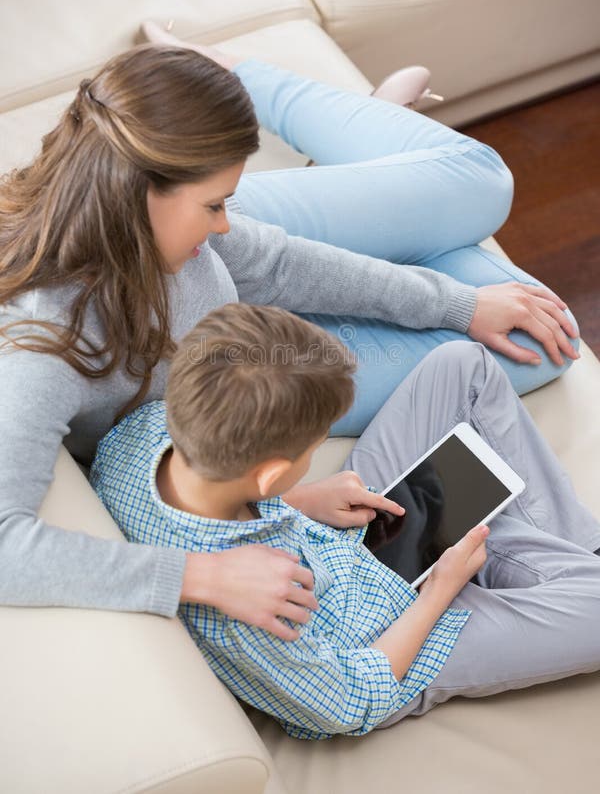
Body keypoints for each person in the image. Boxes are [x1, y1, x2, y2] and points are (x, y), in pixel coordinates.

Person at [0, 37, 579, 637]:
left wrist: (459, 305)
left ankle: (246, 80)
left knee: (482, 181)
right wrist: (201, 575)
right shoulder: (44, 346)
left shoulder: (190, 227)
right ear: (138, 196)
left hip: (236, 301)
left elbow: (275, 263)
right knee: (540, 348)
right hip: (257, 368)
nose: (224, 222)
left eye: (224, 202)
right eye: (215, 204)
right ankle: (371, 171)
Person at [90, 303, 600, 740]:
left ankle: (535, 546)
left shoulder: (144, 431)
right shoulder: (252, 607)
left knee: (462, 365)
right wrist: (439, 591)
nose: (319, 448)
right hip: (391, 641)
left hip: (336, 537)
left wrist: (304, 498)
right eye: (315, 446)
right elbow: (347, 701)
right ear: (268, 472)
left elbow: (221, 496)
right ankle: (527, 553)